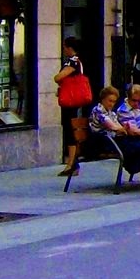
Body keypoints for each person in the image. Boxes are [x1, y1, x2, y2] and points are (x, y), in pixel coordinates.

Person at [88, 86, 140, 192]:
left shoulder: (111, 113)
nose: (111, 104)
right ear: (102, 99)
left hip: (114, 140)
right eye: (109, 101)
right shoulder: (98, 110)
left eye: (114, 101)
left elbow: (120, 128)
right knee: (139, 148)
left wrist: (124, 129)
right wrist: (123, 129)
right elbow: (112, 126)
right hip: (101, 142)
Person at [54, 37, 93, 177]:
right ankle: (72, 161)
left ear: (70, 48)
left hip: (70, 101)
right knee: (71, 128)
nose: (64, 49)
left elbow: (58, 77)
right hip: (73, 100)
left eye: (65, 47)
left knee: (70, 130)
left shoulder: (72, 61)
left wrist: (59, 78)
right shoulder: (78, 62)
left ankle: (71, 162)